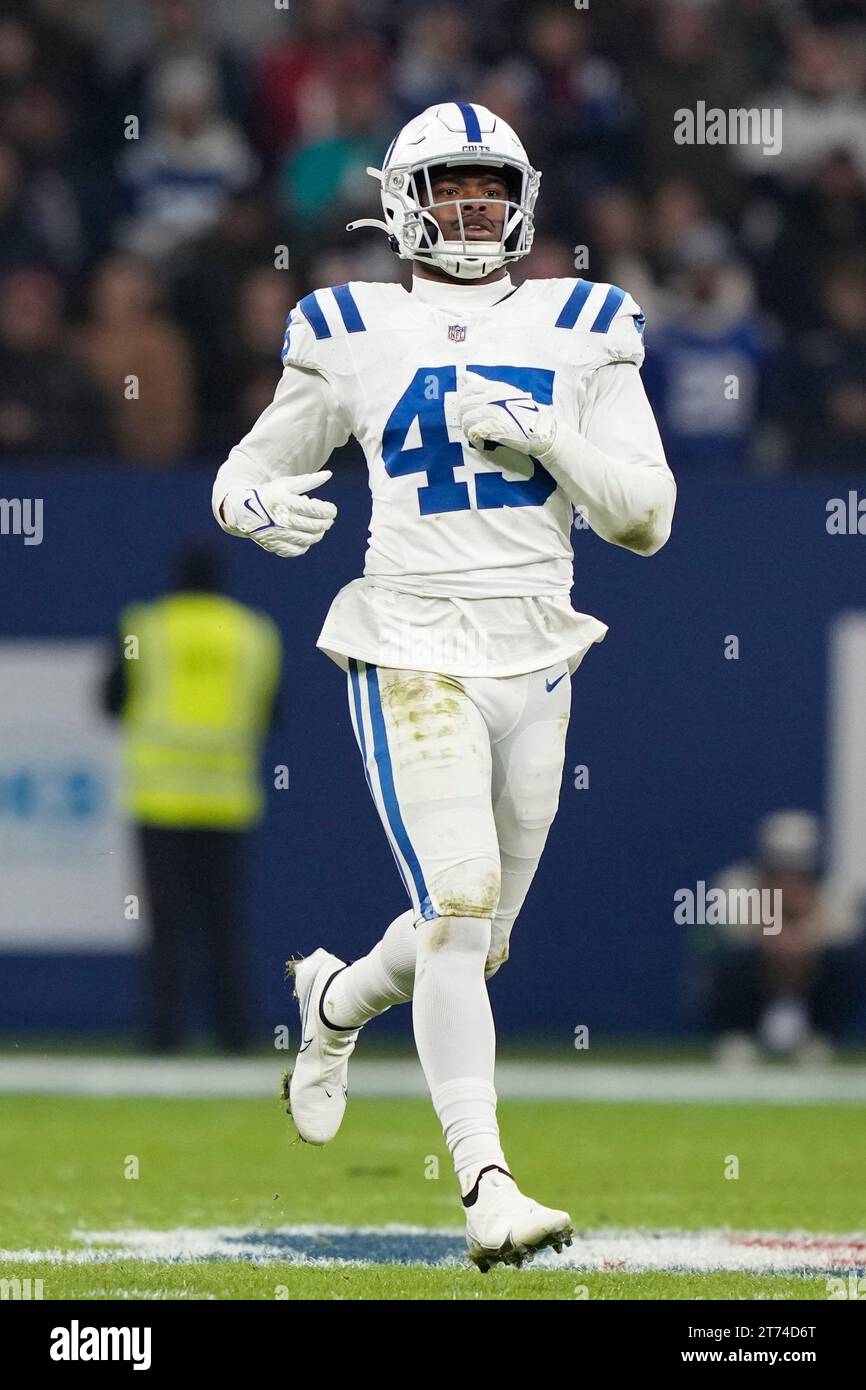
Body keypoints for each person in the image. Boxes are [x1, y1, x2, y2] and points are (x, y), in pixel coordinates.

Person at [212, 103, 675, 1270]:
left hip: (539, 647)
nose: (470, 208)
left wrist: (546, 434)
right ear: (403, 201)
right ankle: (486, 1187)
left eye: (486, 187)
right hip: (409, 642)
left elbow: (646, 518)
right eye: (448, 187)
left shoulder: (585, 320)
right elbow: (249, 468)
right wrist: (252, 506)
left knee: (475, 935)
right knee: (459, 908)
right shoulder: (350, 324)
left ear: (518, 198)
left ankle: (332, 1001)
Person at [104, 543, 282, 1053]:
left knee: (165, 926)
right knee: (224, 924)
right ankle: (235, 1036)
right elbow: (273, 713)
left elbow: (111, 701)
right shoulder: (252, 634)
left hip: (160, 801)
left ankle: (163, 1036)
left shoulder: (148, 628)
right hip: (227, 802)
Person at [702, 811, 865, 1067]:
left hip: (808, 984)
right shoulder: (734, 886)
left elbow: (843, 936)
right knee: (731, 956)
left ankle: (818, 1037)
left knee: (844, 961)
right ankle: (738, 1036)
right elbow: (734, 933)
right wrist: (775, 926)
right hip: (757, 984)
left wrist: (803, 930)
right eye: (780, 868)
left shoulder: (836, 895)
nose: (788, 879)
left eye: (798, 870)